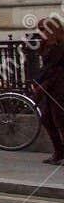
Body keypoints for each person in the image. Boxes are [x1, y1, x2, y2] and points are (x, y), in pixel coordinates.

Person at [33, 18, 64, 166]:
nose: (40, 32)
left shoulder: (59, 45)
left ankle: (60, 153)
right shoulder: (48, 45)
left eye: (42, 28)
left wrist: (43, 85)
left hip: (59, 88)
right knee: (46, 118)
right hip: (49, 88)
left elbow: (56, 70)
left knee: (60, 121)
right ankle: (59, 152)